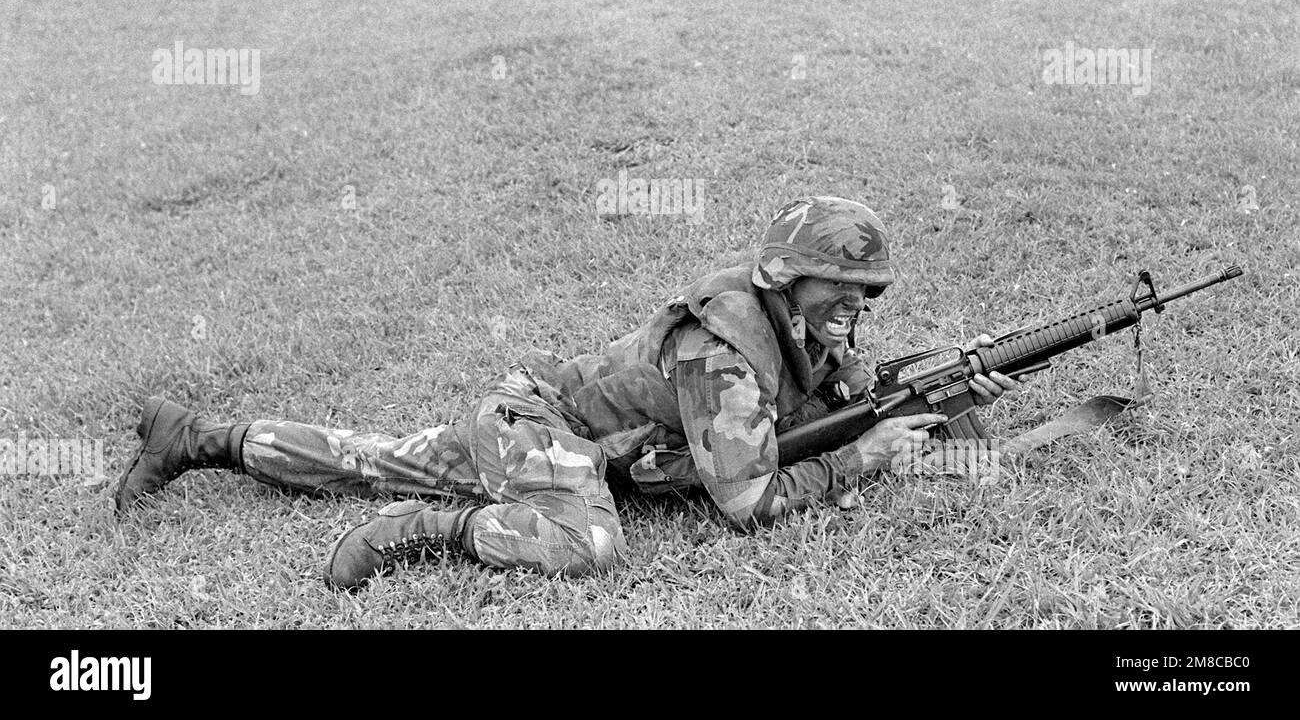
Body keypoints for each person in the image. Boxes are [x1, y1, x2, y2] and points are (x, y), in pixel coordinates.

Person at [114, 196, 1021, 589]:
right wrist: (859, 458)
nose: (854, 311)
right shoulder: (723, 350)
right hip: (541, 429)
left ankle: (195, 435)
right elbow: (748, 499)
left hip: (538, 418)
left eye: (869, 297)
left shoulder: (793, 322)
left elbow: (820, 394)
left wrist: (924, 386)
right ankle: (429, 534)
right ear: (787, 279)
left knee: (373, 457)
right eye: (841, 291)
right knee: (588, 543)